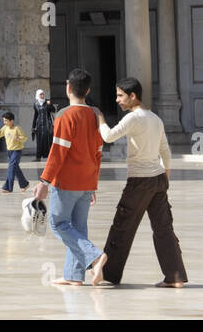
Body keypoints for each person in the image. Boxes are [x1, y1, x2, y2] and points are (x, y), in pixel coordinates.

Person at [90, 77, 187, 288]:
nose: (117, 100)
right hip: (158, 180)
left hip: (139, 182)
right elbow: (165, 151)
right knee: (164, 229)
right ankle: (175, 277)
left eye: (120, 96)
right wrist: (165, 176)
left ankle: (107, 273)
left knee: (122, 227)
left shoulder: (134, 118)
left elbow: (108, 136)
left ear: (133, 96)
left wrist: (100, 118)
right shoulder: (155, 118)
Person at [30, 68, 105, 286]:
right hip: (86, 181)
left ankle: (95, 256)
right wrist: (93, 184)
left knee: (58, 223)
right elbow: (98, 152)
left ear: (68, 87)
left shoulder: (64, 115)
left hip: (67, 182)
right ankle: (73, 275)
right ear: (88, 90)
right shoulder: (94, 115)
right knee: (78, 227)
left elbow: (58, 152)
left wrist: (44, 181)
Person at [0, 111, 30, 194]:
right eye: (4, 120)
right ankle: (24, 184)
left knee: (11, 169)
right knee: (15, 168)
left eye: (6, 121)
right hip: (10, 152)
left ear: (12, 121)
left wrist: (19, 138)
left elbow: (25, 138)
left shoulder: (17, 128)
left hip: (17, 151)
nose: (4, 122)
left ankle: (8, 187)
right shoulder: (5, 128)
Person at [32, 88, 57, 161]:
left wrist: (50, 105)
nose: (42, 95)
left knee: (48, 140)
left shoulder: (47, 103)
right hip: (39, 124)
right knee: (39, 140)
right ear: (37, 95)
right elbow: (35, 116)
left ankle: (49, 156)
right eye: (40, 94)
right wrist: (33, 126)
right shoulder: (35, 104)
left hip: (47, 124)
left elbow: (53, 110)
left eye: (43, 94)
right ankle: (38, 157)